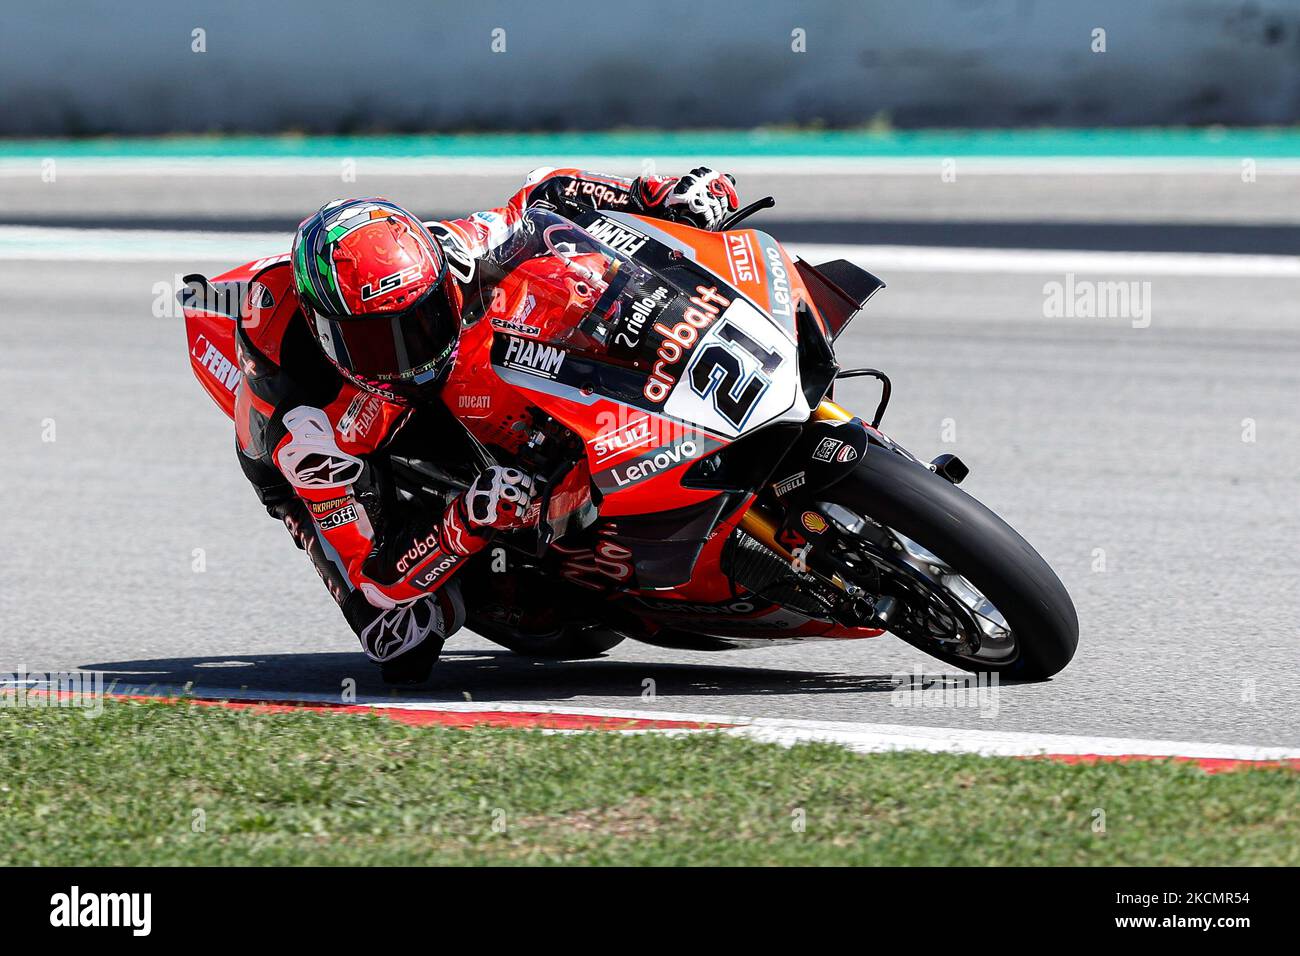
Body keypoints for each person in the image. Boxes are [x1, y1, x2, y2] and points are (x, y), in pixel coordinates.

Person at [232, 166, 740, 683]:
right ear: (327, 335)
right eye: (379, 341)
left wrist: (654, 194)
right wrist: (467, 522)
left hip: (436, 383)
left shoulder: (451, 253)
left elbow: (549, 194)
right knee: (399, 637)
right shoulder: (307, 429)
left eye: (422, 321)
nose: (412, 354)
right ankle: (475, 575)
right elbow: (376, 576)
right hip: (327, 451)